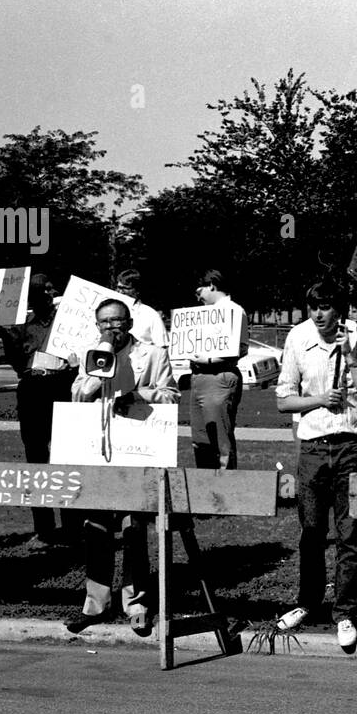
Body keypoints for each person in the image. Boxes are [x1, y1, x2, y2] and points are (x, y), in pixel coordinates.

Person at [66, 298, 179, 636]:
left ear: (128, 323)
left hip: (138, 450)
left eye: (117, 321)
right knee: (96, 528)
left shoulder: (154, 353)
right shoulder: (92, 354)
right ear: (97, 326)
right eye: (104, 323)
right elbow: (78, 397)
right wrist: (97, 374)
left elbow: (172, 395)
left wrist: (140, 395)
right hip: (99, 452)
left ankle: (136, 601)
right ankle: (95, 603)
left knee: (134, 528)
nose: (111, 328)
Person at [274, 278, 357, 654]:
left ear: (340, 309)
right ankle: (307, 602)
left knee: (349, 533)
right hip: (313, 448)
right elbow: (284, 400)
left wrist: (355, 356)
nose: (318, 314)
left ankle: (344, 611)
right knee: (311, 531)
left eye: (326, 307)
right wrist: (317, 399)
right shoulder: (298, 338)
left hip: (349, 445)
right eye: (313, 307)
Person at [0, 273, 79, 546]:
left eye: (52, 289)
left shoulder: (67, 322)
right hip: (32, 389)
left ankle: (72, 525)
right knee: (36, 457)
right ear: (31, 296)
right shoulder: (21, 325)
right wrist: (4, 333)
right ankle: (44, 528)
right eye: (43, 290)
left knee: (66, 458)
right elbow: (17, 362)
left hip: (63, 387)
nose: (49, 294)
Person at [189, 269, 249, 469]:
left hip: (220, 376)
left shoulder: (233, 310)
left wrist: (210, 359)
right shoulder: (205, 313)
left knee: (220, 440)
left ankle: (225, 490)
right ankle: (204, 487)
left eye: (200, 292)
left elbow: (240, 349)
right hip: (199, 377)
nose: (199, 298)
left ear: (212, 285)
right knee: (201, 438)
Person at [115, 269, 168, 350]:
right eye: (118, 288)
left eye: (125, 288)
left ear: (137, 290)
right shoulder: (107, 312)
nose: (120, 292)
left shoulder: (151, 315)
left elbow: (162, 348)